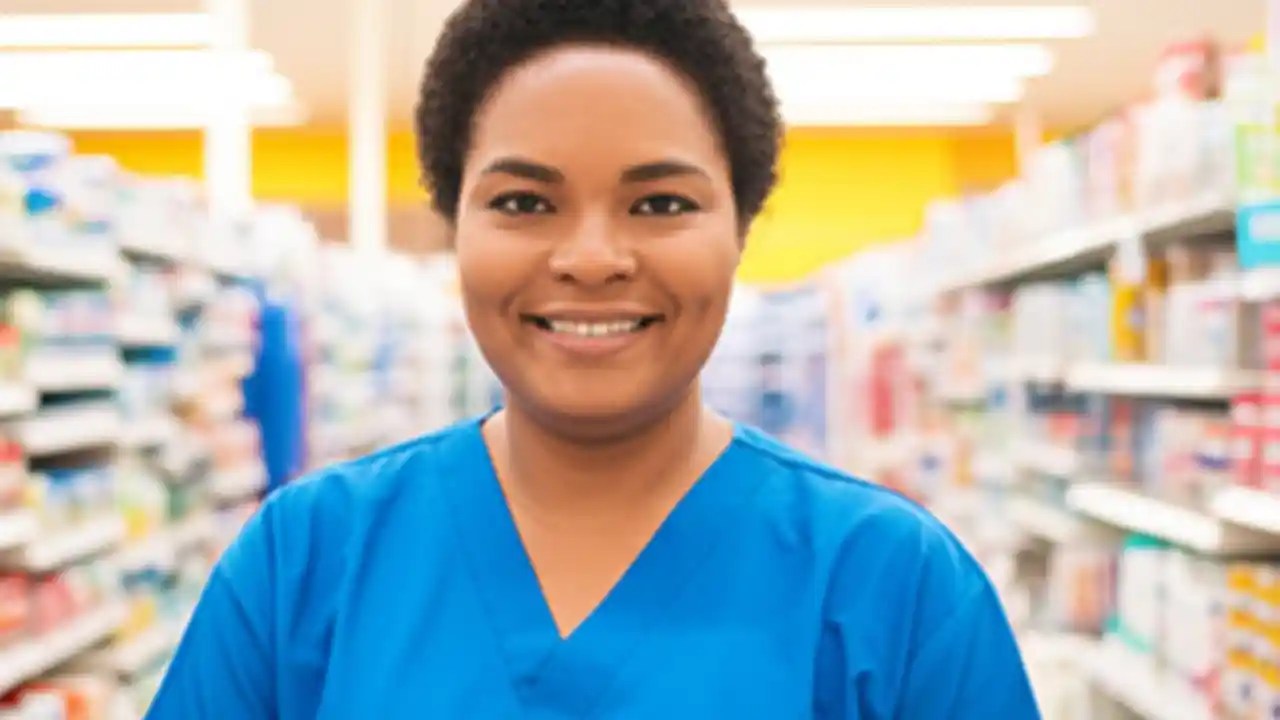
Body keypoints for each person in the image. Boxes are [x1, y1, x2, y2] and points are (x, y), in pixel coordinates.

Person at [147, 0, 1041, 717]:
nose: (590, 257)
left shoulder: (895, 584)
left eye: (659, 204)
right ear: (454, 225)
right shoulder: (304, 563)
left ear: (742, 229)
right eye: (525, 201)